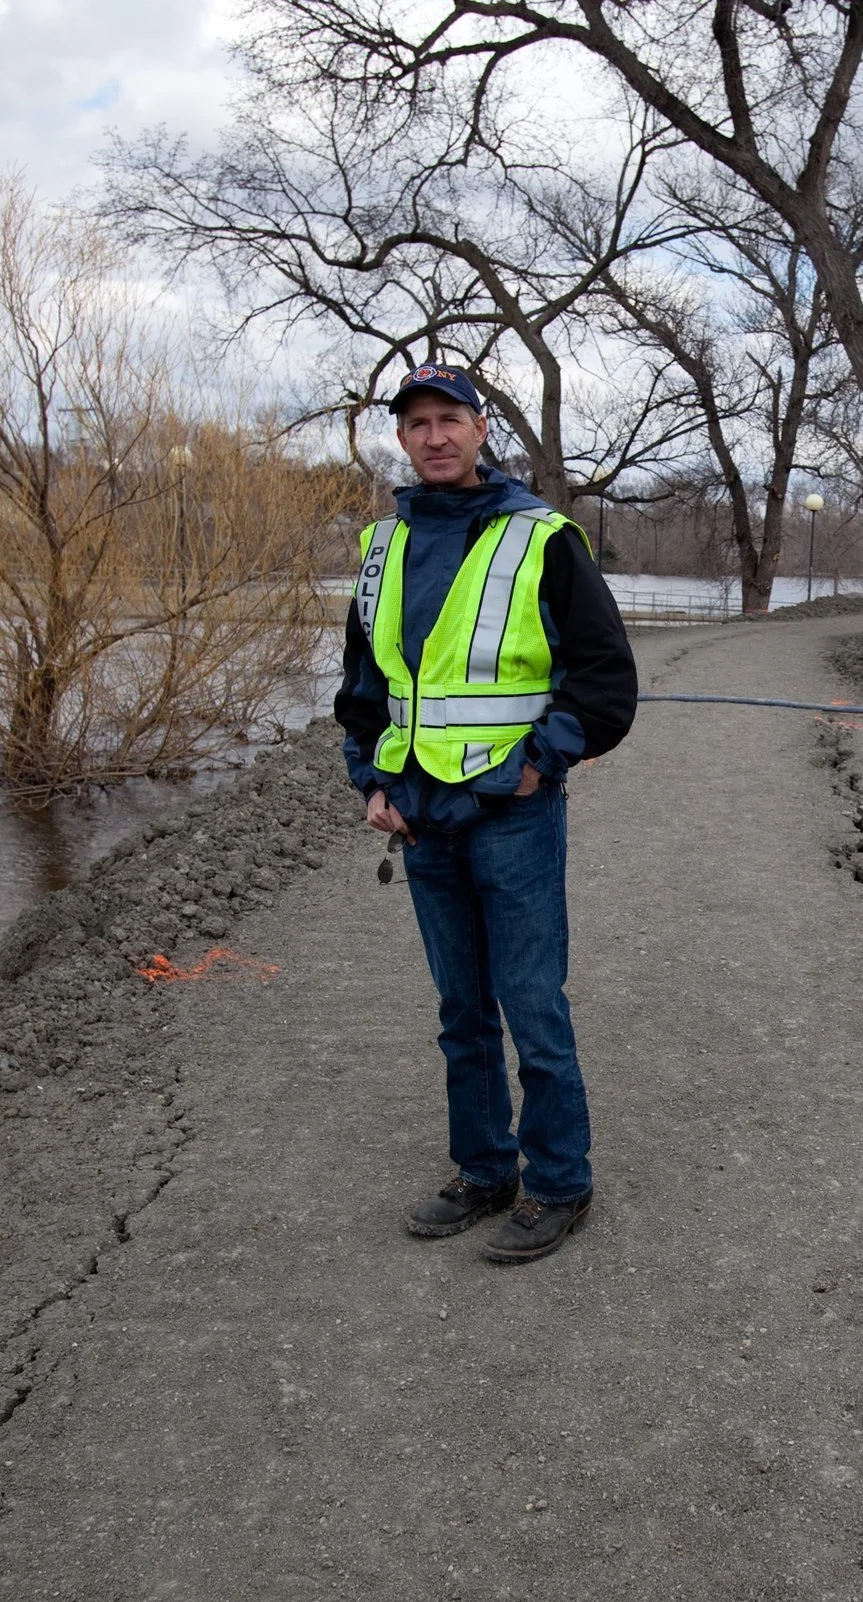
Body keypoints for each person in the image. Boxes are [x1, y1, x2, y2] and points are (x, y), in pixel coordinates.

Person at [333, 364, 637, 1264]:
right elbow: (364, 687)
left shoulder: (542, 539)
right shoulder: (381, 547)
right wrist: (370, 782)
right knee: (461, 1009)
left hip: (512, 816)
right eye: (417, 422)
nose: (434, 436)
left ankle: (557, 1184)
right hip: (420, 817)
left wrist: (540, 766)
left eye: (450, 419)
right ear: (402, 437)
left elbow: (605, 681)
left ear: (480, 428)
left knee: (531, 1004)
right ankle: (483, 1168)